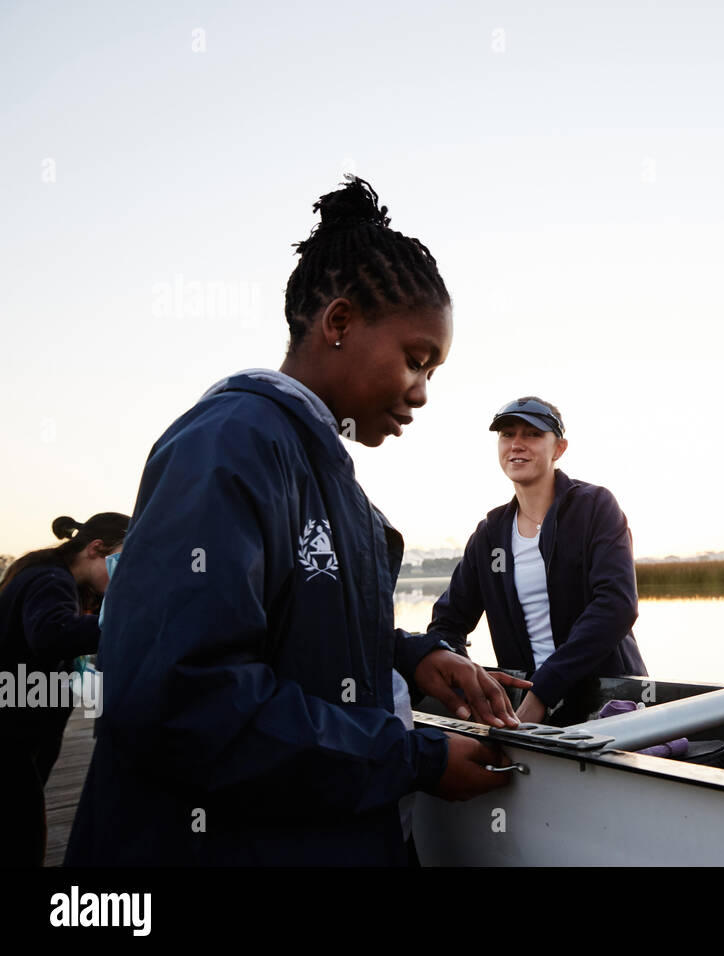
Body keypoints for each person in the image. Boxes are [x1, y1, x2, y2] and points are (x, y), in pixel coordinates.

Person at [66, 176, 530, 867]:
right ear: (338, 323)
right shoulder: (228, 446)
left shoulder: (333, 479)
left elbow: (296, 633)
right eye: (416, 359)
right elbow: (178, 698)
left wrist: (410, 655)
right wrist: (416, 756)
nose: (423, 393)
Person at [426, 397, 647, 725]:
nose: (516, 444)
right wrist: (473, 690)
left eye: (531, 434)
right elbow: (447, 624)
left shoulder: (595, 507)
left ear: (558, 448)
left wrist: (543, 692)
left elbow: (616, 606)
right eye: (507, 434)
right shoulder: (490, 535)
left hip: (609, 702)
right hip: (526, 714)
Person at [0, 512, 128, 866]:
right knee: (21, 839)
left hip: (21, 732)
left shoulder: (50, 577)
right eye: (119, 562)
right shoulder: (51, 580)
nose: (122, 576)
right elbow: (52, 634)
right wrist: (130, 625)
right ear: (95, 549)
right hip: (11, 737)